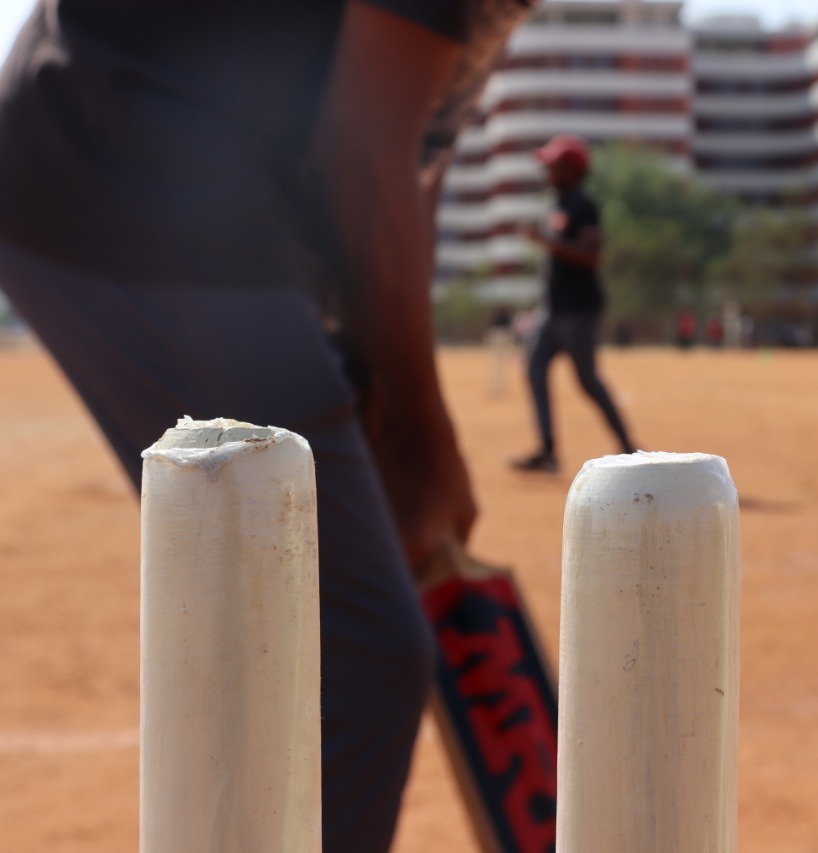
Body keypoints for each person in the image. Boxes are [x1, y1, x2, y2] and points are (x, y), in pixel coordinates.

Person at [0, 0, 528, 849]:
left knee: (286, 630)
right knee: (363, 657)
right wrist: (427, 443)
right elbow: (362, 151)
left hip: (154, 179)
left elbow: (406, 159)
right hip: (134, 170)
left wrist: (384, 388)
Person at [512, 134, 636, 474]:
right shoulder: (554, 204)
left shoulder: (583, 206)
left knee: (587, 380)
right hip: (551, 311)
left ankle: (628, 447)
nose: (547, 171)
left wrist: (546, 242)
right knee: (535, 370)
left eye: (553, 166)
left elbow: (591, 257)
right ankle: (548, 450)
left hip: (579, 311)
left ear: (571, 170)